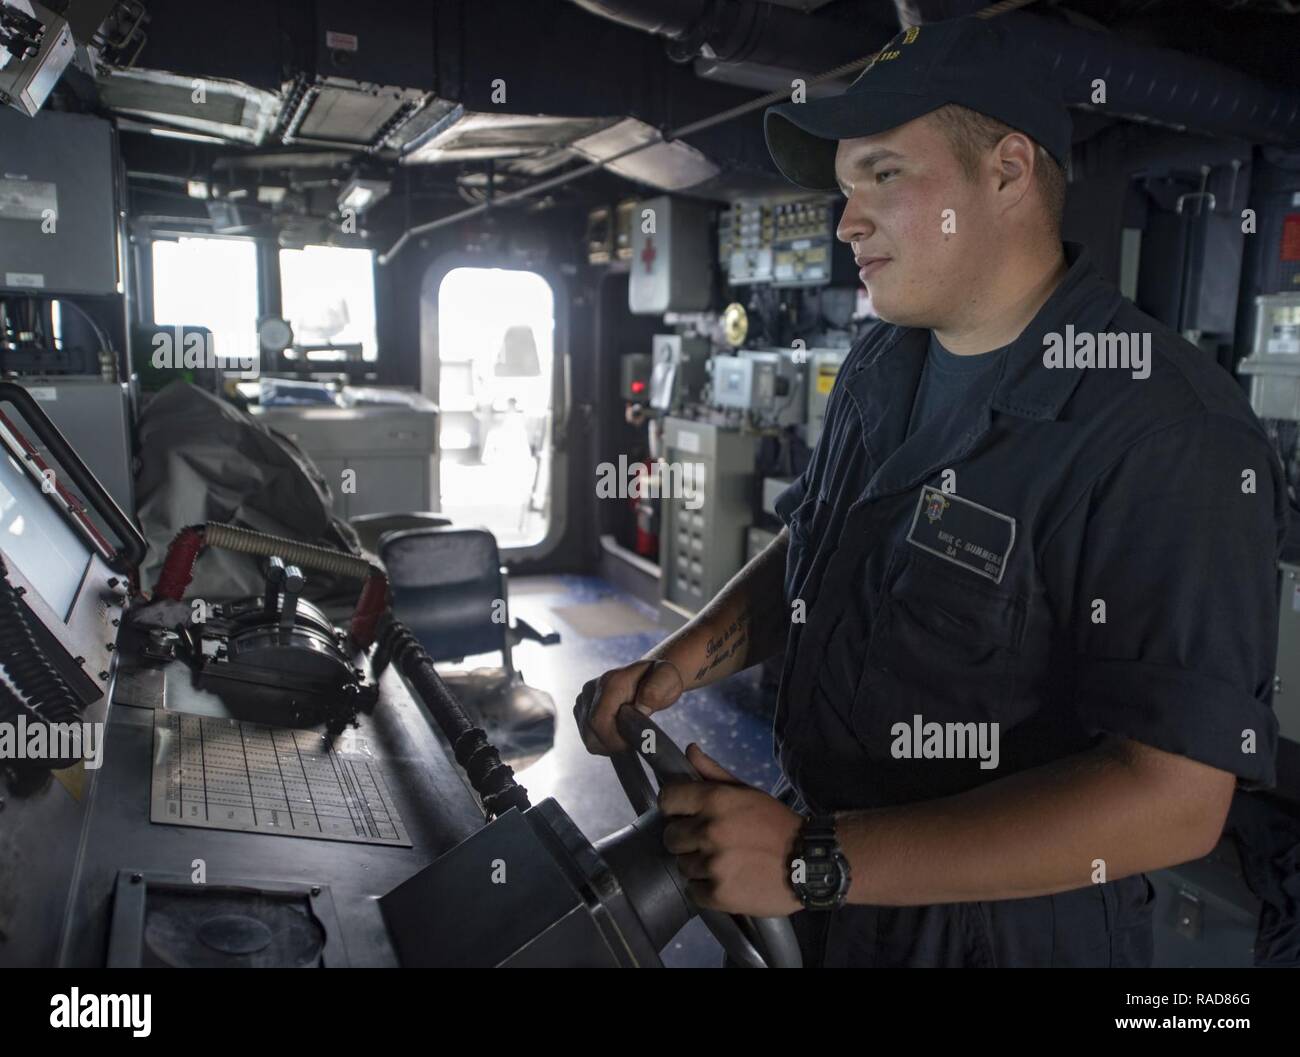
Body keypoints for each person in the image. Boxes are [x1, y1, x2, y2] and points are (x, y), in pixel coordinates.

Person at [575, 14, 1287, 967]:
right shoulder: (883, 360)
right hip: (838, 883)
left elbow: (1173, 802)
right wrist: (679, 663)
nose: (846, 221)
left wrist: (815, 861)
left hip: (1001, 930)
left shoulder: (1161, 428)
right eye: (842, 188)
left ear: (1007, 170)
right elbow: (822, 545)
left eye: (883, 174)